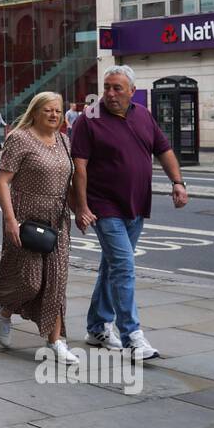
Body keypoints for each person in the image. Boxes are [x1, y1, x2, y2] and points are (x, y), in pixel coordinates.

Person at [70, 65, 189, 359]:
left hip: (135, 206)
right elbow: (80, 167)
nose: (109, 93)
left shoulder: (143, 115)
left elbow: (164, 150)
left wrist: (178, 182)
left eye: (117, 88)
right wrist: (82, 206)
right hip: (104, 206)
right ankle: (132, 336)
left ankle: (97, 327)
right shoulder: (90, 118)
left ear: (132, 91)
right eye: (106, 87)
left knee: (111, 266)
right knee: (124, 267)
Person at [0, 92, 81, 364]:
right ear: (35, 111)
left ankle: (57, 341)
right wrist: (9, 219)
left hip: (58, 220)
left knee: (56, 281)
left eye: (58, 111)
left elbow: (69, 185)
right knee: (29, 281)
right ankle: (3, 313)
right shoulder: (20, 138)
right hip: (26, 219)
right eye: (48, 110)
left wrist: (81, 211)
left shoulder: (64, 141)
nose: (54, 115)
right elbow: (3, 182)